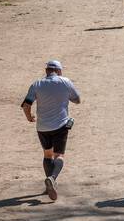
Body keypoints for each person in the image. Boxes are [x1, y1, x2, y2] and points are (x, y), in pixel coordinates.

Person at [21, 60, 81, 201]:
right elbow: (77, 100)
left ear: (47, 70)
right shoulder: (65, 81)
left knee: (47, 154)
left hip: (42, 127)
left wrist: (29, 117)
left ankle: (48, 186)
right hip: (60, 125)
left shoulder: (37, 84)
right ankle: (52, 178)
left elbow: (26, 105)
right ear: (59, 71)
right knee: (59, 155)